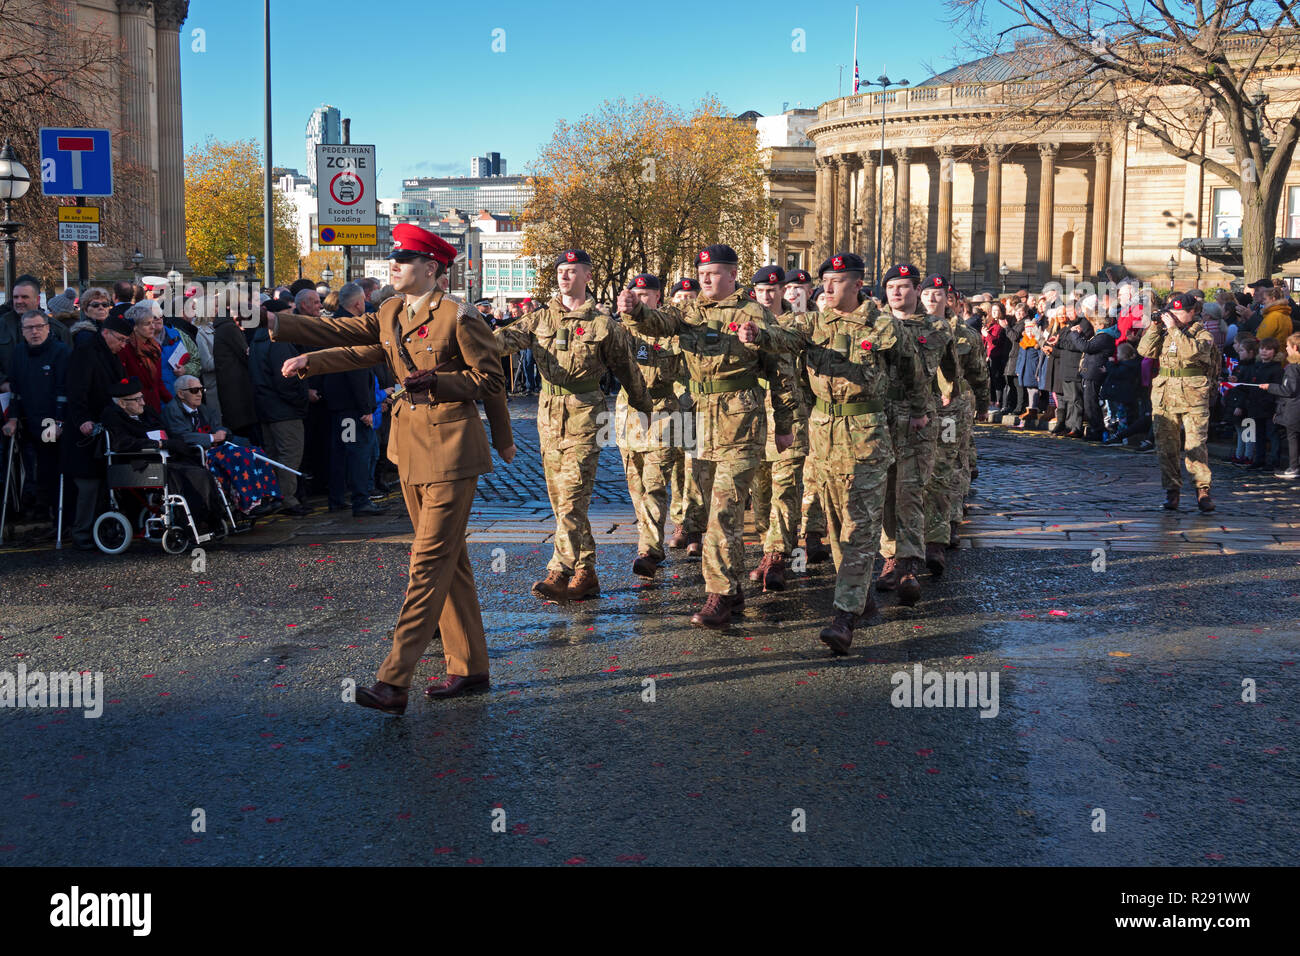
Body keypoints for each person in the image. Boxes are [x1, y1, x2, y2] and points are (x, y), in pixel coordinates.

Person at [270, 223, 515, 711]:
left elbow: (490, 381)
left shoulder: (459, 316)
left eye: (404, 260)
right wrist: (292, 338)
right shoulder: (390, 310)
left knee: (427, 563)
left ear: (431, 268)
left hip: (451, 451)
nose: (394, 266)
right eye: (394, 259)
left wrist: (444, 387)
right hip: (409, 449)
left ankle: (394, 680)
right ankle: (470, 666)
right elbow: (354, 340)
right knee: (450, 562)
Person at [734, 253, 925, 652]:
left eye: (837, 281)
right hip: (823, 434)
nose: (829, 287)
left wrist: (919, 412)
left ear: (857, 284)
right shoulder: (812, 323)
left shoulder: (883, 326)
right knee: (836, 525)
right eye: (825, 281)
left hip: (866, 434)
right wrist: (757, 335)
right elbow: (782, 337)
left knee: (859, 525)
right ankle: (861, 596)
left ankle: (843, 616)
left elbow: (912, 373)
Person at [617, 244, 798, 627]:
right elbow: (659, 324)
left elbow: (781, 371)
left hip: (740, 422)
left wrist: (785, 425)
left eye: (713, 273)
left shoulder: (754, 313)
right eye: (702, 274)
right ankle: (732, 591)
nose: (706, 279)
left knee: (724, 510)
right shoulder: (689, 312)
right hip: (699, 422)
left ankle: (719, 593)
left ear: (732, 275)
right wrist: (636, 312)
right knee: (712, 510)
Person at [497, 249, 653, 602]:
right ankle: (586, 572)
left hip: (586, 414)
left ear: (587, 276)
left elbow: (627, 369)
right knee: (561, 499)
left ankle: (560, 570)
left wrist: (644, 407)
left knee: (572, 495)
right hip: (548, 416)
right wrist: (461, 330)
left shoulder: (603, 325)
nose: (565, 276)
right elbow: (498, 343)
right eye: (561, 271)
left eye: (572, 270)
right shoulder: (539, 319)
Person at [874, 263, 949, 608]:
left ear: (917, 291)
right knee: (885, 491)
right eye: (891, 287)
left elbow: (947, 372)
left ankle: (908, 564)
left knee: (911, 491)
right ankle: (890, 556)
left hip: (917, 419)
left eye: (904, 286)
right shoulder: (874, 325)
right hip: (880, 417)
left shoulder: (936, 328)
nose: (896, 292)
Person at [613, 273, 685, 580]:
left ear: (658, 298)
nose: (639, 301)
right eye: (635, 295)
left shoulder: (672, 332)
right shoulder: (619, 330)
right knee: (637, 488)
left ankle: (649, 551)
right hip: (628, 415)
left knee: (655, 485)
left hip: (662, 413)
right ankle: (648, 540)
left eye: (645, 296)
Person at [746, 265, 810, 591]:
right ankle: (767, 547)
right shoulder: (746, 323)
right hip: (754, 417)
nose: (767, 296)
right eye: (761, 290)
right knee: (760, 493)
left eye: (773, 290)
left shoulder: (799, 324)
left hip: (791, 414)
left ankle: (777, 557)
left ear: (783, 290)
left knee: (785, 489)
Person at [101, 376, 226, 533]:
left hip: (166, 458)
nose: (143, 403)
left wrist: (174, 444)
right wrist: (158, 444)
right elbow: (123, 444)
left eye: (142, 398)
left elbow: (168, 433)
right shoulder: (113, 417)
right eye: (137, 400)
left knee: (202, 472)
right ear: (122, 403)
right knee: (190, 476)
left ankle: (211, 518)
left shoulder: (148, 412)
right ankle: (191, 522)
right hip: (141, 463)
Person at [1137, 291, 1217, 512]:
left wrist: (1173, 329)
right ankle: (1172, 491)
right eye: (1171, 312)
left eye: (1179, 312)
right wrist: (1155, 327)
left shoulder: (1202, 334)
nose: (1173, 316)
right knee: (1166, 446)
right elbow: (1144, 350)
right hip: (1165, 394)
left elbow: (1191, 353)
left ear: (1192, 312)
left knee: (1195, 445)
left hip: (1193, 395)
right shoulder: (1164, 332)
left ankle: (1202, 490)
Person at [161, 374, 281, 517]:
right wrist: (212, 437)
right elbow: (182, 436)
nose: (199, 394)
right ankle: (249, 504)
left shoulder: (202, 409)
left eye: (201, 389)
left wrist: (221, 432)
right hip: (195, 453)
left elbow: (218, 427)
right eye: (194, 390)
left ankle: (268, 496)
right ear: (181, 394)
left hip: (215, 447)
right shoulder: (173, 410)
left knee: (256, 452)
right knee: (239, 456)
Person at [61, 312, 132, 549]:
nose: (123, 345)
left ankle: (99, 530)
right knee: (88, 484)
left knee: (102, 483)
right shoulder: (85, 352)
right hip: (86, 430)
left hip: (106, 427)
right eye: (121, 340)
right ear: (106, 333)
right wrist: (83, 419)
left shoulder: (111, 355)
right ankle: (82, 532)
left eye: (126, 341)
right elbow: (76, 390)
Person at [320, 281, 387, 517]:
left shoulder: (334, 325)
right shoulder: (353, 329)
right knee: (358, 452)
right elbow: (356, 372)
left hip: (338, 403)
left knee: (341, 452)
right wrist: (366, 408)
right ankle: (361, 499)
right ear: (359, 303)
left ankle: (337, 498)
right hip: (352, 406)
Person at [2, 310, 71, 522]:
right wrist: (13, 418)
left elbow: (64, 389)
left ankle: (54, 514)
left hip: (50, 419)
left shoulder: (61, 351)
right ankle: (35, 509)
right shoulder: (18, 352)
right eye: (29, 328)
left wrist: (59, 422)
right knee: (30, 467)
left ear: (47, 328)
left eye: (39, 327)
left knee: (48, 465)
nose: (35, 332)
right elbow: (15, 390)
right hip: (27, 418)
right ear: (22, 331)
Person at [250, 303, 312, 517]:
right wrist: (300, 400)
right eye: (288, 316)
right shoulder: (278, 342)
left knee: (274, 455)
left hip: (267, 408)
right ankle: (287, 499)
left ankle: (275, 496)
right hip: (285, 410)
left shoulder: (257, 341)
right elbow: (286, 380)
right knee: (290, 455)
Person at [117, 303, 171, 413]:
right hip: (135, 408)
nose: (153, 327)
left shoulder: (155, 347)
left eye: (152, 322)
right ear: (135, 327)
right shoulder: (125, 349)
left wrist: (172, 402)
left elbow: (158, 382)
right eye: (147, 324)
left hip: (154, 407)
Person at [1265, 332, 1300, 478]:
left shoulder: (1293, 368)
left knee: (1293, 439)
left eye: (1288, 346)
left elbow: (1288, 390)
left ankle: (1294, 467)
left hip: (1294, 409)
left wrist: (1270, 387)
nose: (1286, 349)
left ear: (1295, 348)